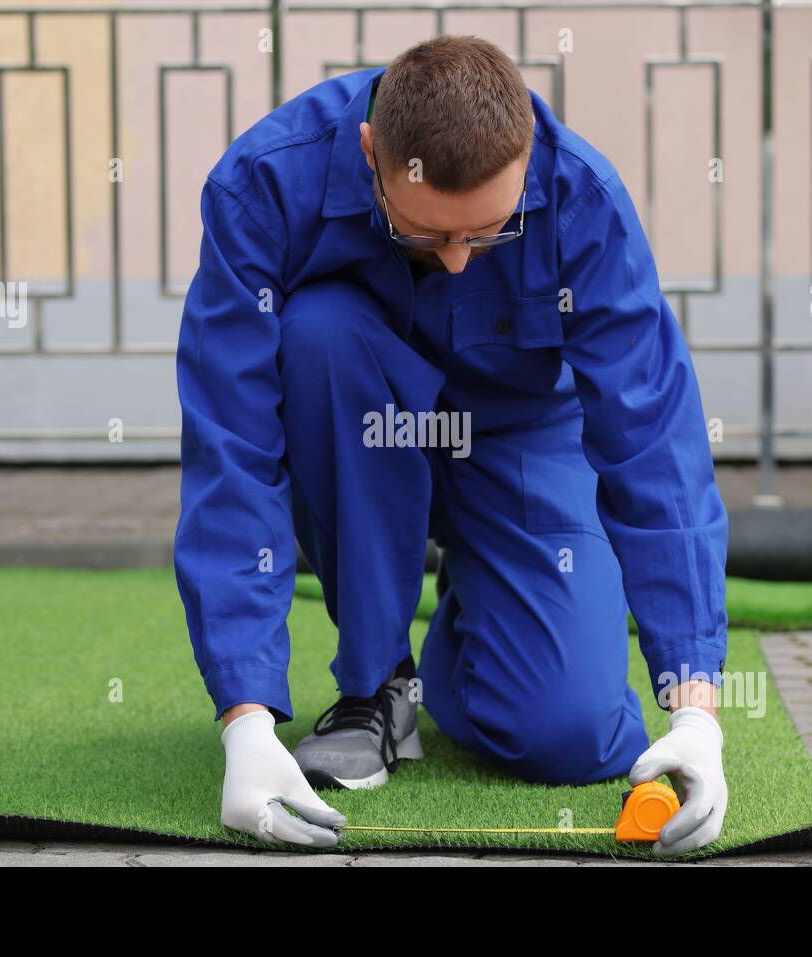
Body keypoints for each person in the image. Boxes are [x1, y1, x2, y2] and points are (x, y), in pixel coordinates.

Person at [175, 35, 729, 856]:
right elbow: (233, 447)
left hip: (521, 436)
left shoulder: (583, 199)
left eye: (490, 233)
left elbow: (652, 437)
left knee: (574, 733)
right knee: (318, 333)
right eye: (426, 235)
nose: (461, 260)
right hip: (360, 424)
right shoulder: (263, 184)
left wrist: (694, 705)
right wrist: (245, 721)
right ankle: (378, 686)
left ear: (528, 158)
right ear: (373, 153)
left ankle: (473, 626)